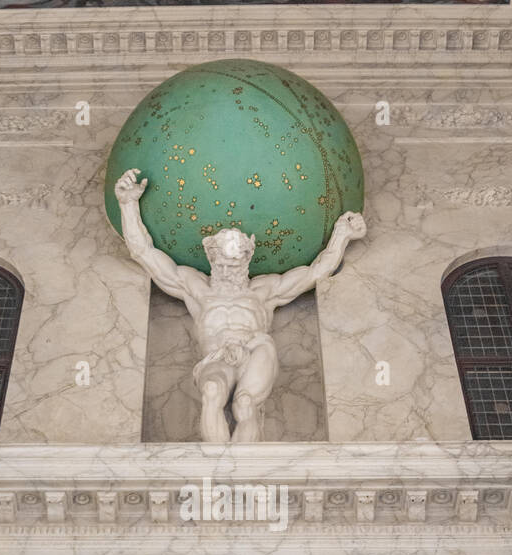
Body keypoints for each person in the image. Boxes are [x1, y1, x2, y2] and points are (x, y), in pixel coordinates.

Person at [114, 166, 365, 442]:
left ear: (248, 257)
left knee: (245, 404)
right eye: (225, 255)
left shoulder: (264, 291)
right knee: (211, 390)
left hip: (255, 350)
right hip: (217, 356)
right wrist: (128, 204)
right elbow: (143, 252)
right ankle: (218, 472)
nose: (231, 263)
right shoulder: (197, 289)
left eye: (238, 254)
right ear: (212, 256)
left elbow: (316, 272)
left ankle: (243, 471)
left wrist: (342, 234)